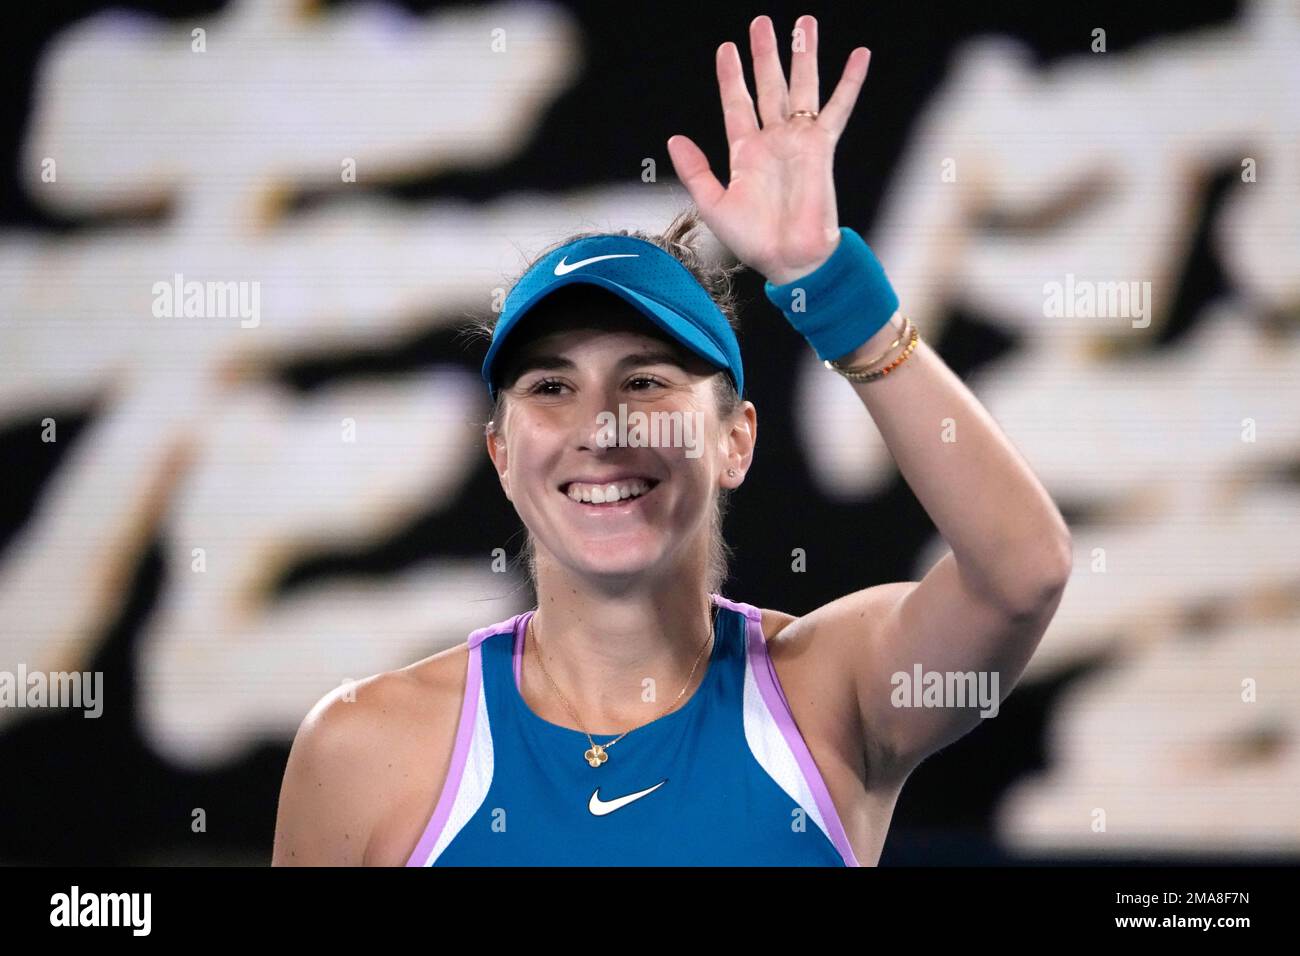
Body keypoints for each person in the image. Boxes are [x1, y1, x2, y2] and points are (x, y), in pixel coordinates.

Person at [272, 13, 1071, 867]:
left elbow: (1022, 573)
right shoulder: (364, 751)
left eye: (646, 381)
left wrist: (831, 286)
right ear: (501, 456)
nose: (601, 427)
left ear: (736, 441)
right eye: (551, 388)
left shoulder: (827, 694)